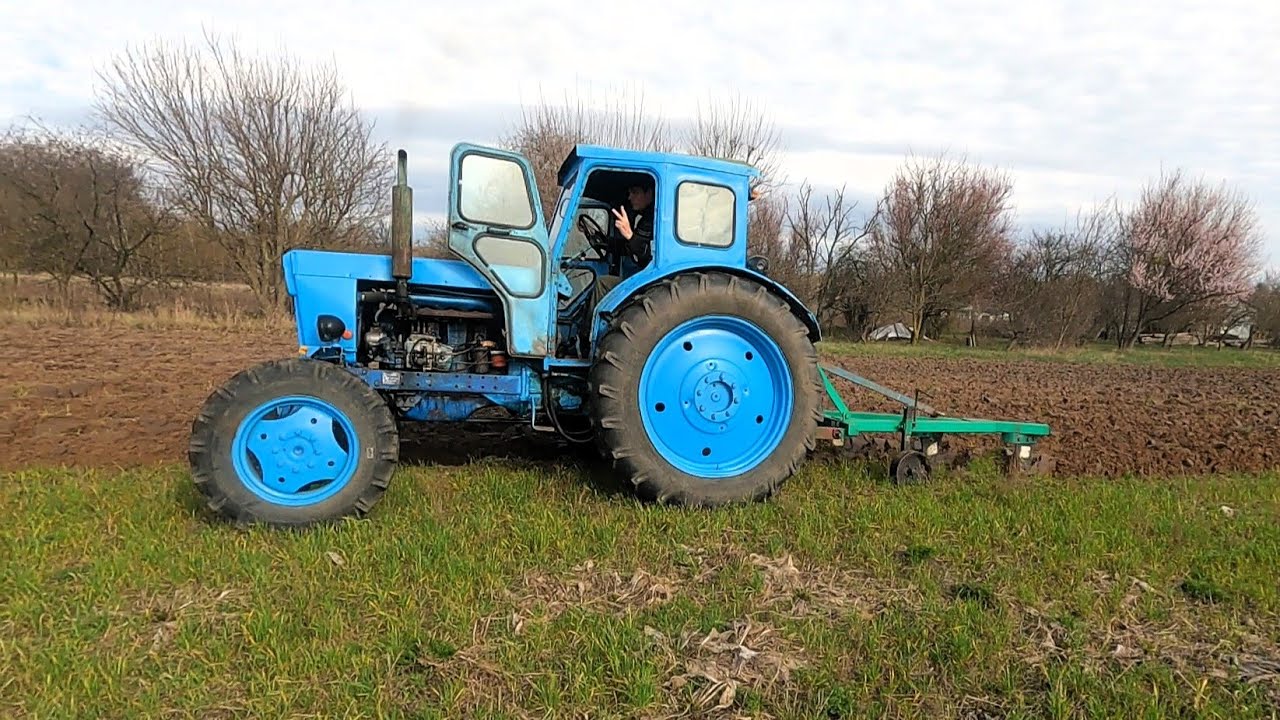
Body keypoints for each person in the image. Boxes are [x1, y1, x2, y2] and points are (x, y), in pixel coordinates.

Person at [589, 177, 654, 309]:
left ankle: (588, 327)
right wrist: (603, 241)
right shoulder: (643, 218)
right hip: (637, 276)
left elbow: (647, 254)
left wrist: (630, 235)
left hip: (646, 280)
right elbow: (627, 248)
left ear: (649, 194)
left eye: (635, 192)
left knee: (603, 283)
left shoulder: (655, 221)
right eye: (629, 193)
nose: (630, 197)